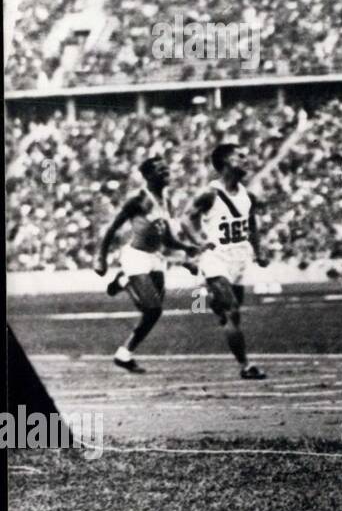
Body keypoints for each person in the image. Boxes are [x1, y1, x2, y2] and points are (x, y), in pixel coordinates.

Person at [93, 156, 202, 373]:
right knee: (153, 309)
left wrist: (186, 249)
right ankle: (124, 280)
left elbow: (167, 238)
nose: (166, 172)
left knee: (152, 312)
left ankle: (124, 355)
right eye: (161, 170)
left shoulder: (166, 202)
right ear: (148, 175)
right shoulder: (139, 200)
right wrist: (101, 257)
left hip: (155, 258)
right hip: (136, 257)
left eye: (166, 169)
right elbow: (113, 228)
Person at [182, 143, 269, 379]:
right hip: (216, 257)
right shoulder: (210, 193)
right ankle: (246, 366)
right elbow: (186, 219)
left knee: (230, 313)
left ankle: (211, 298)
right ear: (226, 162)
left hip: (240, 258)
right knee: (232, 312)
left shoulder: (247, 195)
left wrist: (259, 252)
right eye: (240, 156)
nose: (246, 159)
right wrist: (198, 242)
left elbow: (251, 225)